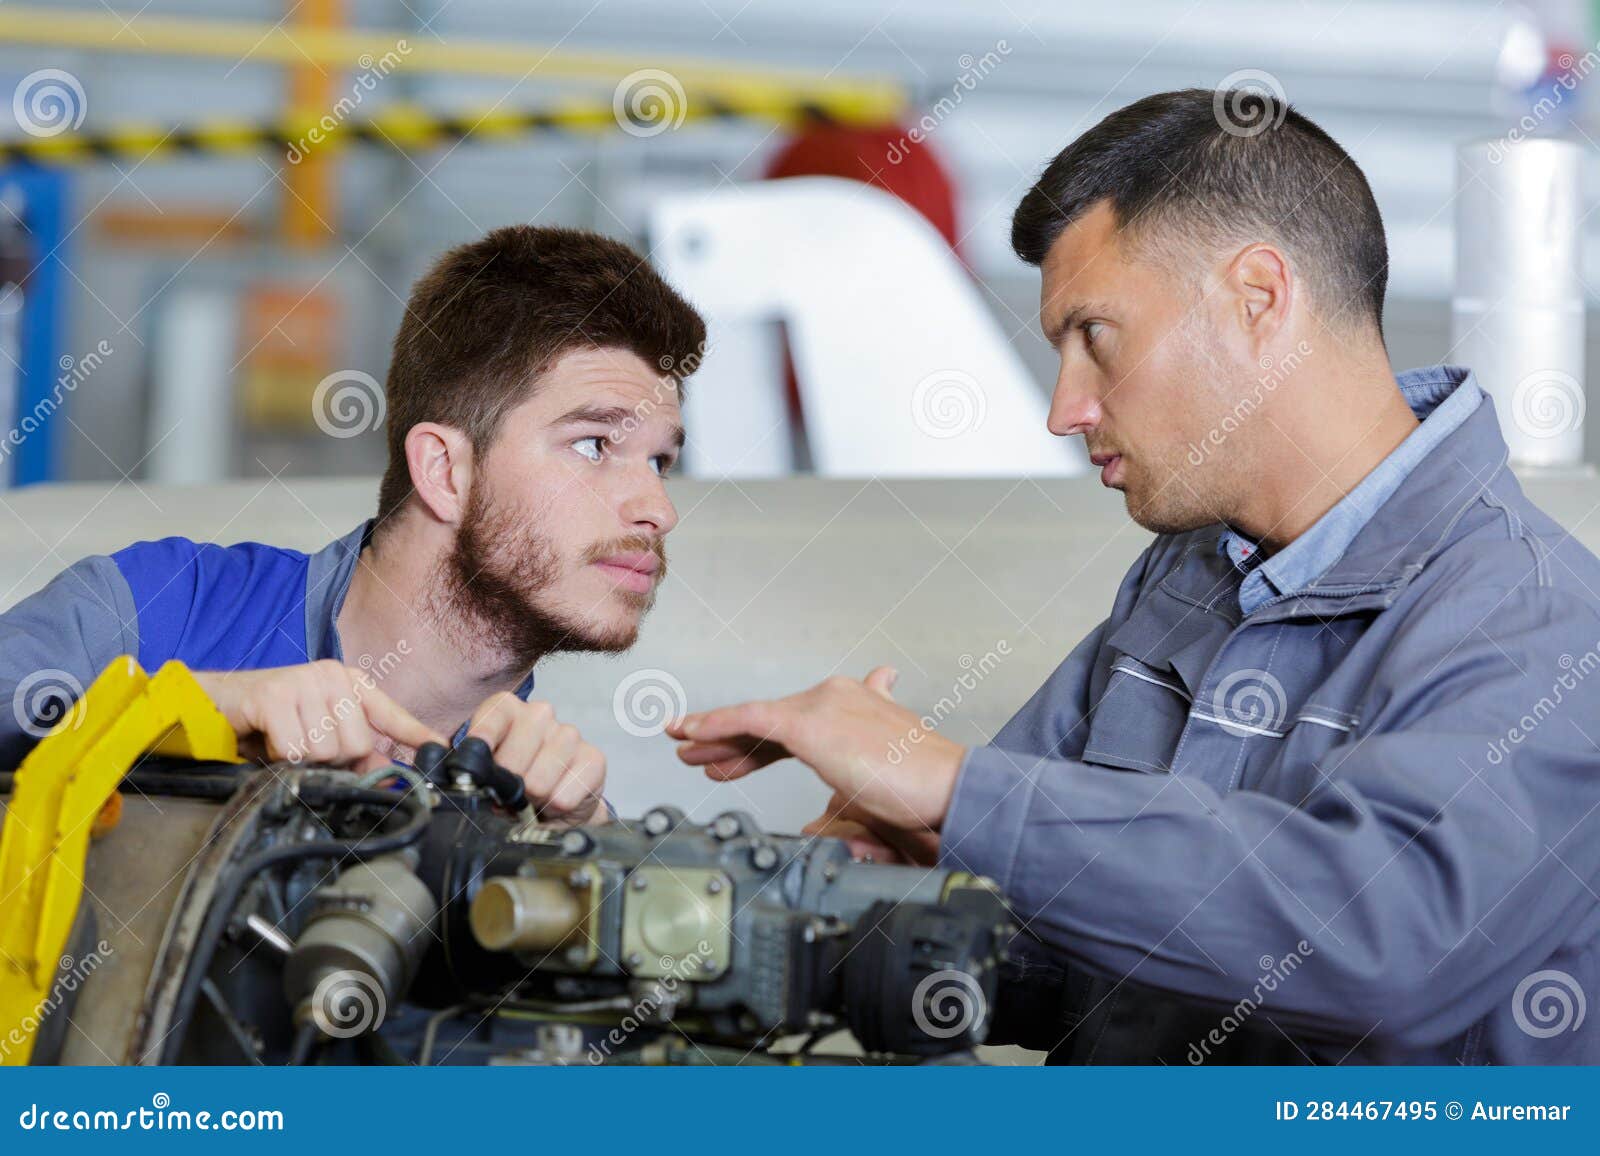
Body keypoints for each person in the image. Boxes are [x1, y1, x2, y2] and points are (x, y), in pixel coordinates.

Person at [669, 89, 1600, 1063]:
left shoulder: (1540, 624)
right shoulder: (1185, 580)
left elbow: (1384, 940)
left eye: (1094, 338)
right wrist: (884, 895)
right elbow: (1076, 943)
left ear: (1257, 298)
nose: (1064, 407)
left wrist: (953, 792)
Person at [0, 225, 705, 824]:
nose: (658, 509)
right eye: (594, 445)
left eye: (661, 461)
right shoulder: (161, 609)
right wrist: (185, 708)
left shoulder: (540, 811)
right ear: (444, 470)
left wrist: (589, 861)